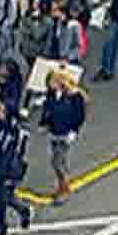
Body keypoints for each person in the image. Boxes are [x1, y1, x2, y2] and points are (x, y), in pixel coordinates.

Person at [0, 98, 33, 235]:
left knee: (2, 198)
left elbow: (16, 154)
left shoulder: (16, 133)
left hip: (9, 169)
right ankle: (23, 210)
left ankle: (3, 228)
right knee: (4, 197)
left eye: (2, 111)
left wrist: (10, 173)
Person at [39, 69, 85, 204]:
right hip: (55, 132)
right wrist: (44, 123)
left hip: (66, 133)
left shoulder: (74, 96)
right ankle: (62, 186)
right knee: (59, 161)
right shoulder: (52, 94)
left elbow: (79, 115)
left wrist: (74, 131)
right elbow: (47, 110)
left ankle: (64, 189)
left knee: (57, 162)